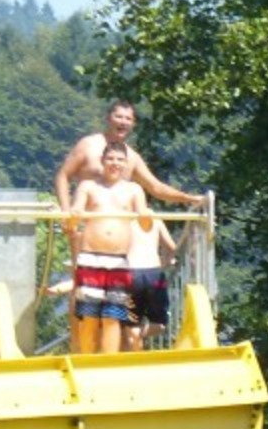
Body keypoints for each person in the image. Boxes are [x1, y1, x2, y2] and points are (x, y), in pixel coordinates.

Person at [68, 143, 153, 353]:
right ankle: (87, 362)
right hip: (90, 258)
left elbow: (145, 225)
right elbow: (72, 220)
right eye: (111, 159)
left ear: (125, 163)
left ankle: (108, 364)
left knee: (112, 317)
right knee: (89, 317)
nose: (115, 164)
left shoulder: (134, 190)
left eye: (120, 160)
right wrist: (74, 214)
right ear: (103, 161)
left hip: (118, 261)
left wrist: (146, 215)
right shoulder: (88, 186)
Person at [54, 100, 202, 210]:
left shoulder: (132, 158)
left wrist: (187, 198)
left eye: (128, 119)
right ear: (108, 118)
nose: (123, 122)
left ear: (133, 124)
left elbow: (155, 188)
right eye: (119, 117)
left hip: (119, 228)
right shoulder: (88, 145)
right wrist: (66, 212)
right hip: (86, 222)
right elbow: (63, 176)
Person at [127, 194, 203, 351]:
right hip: (154, 274)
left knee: (130, 322)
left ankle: (134, 336)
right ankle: (138, 334)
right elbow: (171, 248)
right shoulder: (155, 218)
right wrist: (166, 262)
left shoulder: (124, 218)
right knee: (160, 324)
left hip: (130, 274)